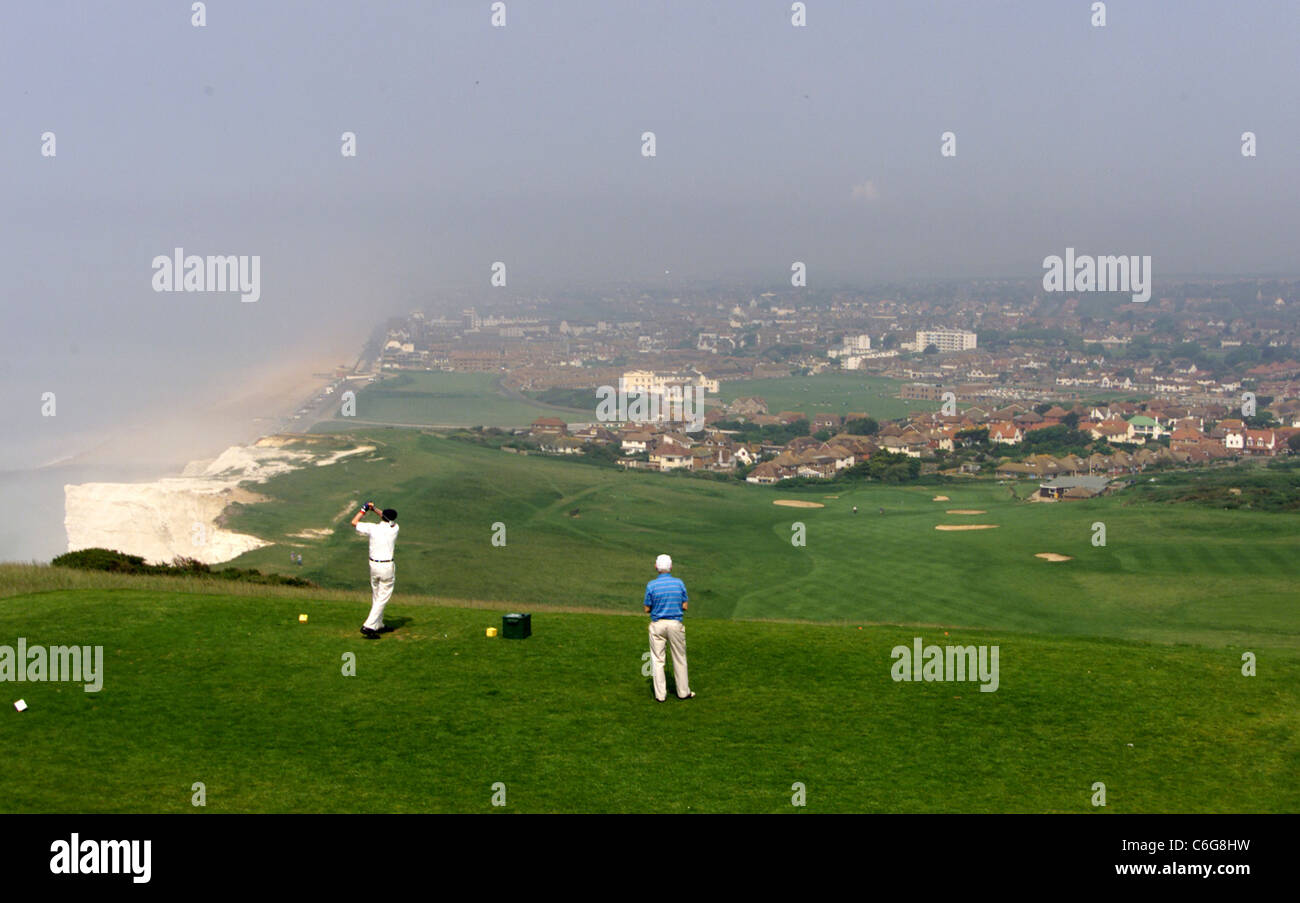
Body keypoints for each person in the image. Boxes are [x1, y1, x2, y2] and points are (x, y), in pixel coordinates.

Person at [643, 554, 694, 702]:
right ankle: (683, 692)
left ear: (656, 567)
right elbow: (685, 606)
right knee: (679, 658)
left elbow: (647, 608)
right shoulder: (679, 583)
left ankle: (660, 695)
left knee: (658, 660)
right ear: (671, 567)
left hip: (657, 625)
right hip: (675, 624)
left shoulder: (651, 585)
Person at [351, 502, 399, 638]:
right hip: (387, 566)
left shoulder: (372, 528)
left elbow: (354, 522)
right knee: (382, 598)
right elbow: (386, 517)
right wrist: (375, 509)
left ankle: (379, 624)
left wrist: (365, 509)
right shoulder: (395, 528)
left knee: (377, 595)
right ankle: (369, 626)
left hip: (373, 565)